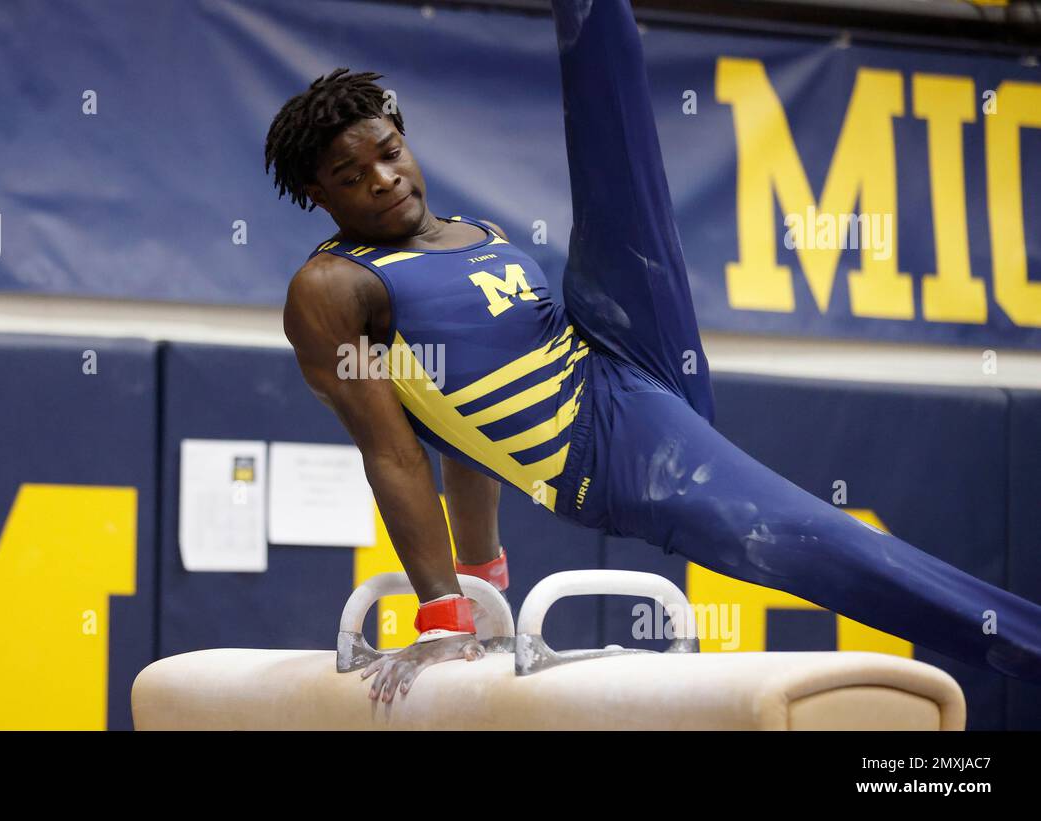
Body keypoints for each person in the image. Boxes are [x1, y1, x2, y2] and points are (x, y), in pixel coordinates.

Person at [265, 0, 1041, 710]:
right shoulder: (336, 289)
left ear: (405, 138)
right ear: (316, 195)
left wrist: (485, 576)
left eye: (390, 153)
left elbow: (464, 431)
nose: (384, 179)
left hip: (623, 350)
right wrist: (449, 611)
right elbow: (400, 449)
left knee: (615, 151)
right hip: (617, 451)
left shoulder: (476, 233)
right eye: (350, 177)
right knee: (830, 548)